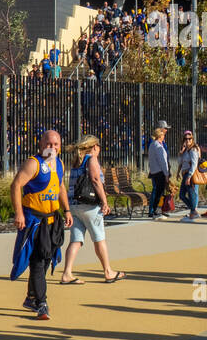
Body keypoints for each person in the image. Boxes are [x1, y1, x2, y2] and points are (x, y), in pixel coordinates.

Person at [9, 130, 73, 321]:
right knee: (37, 261)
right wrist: (19, 213)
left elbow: (60, 186)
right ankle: (42, 303)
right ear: (41, 144)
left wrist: (67, 210)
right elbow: (16, 185)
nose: (52, 148)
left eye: (56, 144)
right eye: (48, 144)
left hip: (51, 220)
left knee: (45, 261)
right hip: (34, 220)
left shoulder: (59, 164)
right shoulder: (34, 163)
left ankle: (31, 297)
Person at [58, 135, 123, 284]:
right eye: (99, 146)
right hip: (89, 205)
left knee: (76, 240)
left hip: (74, 205)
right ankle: (108, 271)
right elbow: (95, 180)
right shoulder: (91, 159)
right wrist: (104, 202)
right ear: (94, 147)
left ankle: (67, 273)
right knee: (99, 238)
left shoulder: (76, 161)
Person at [147, 123, 171, 219]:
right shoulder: (159, 147)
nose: (164, 136)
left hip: (154, 172)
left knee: (158, 190)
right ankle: (155, 209)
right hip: (160, 172)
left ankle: (155, 209)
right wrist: (166, 174)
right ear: (160, 136)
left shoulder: (152, 145)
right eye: (163, 134)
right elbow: (163, 162)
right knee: (159, 191)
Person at [177, 130, 201, 221]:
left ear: (192, 139)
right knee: (182, 195)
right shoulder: (185, 150)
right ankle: (193, 211)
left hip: (189, 174)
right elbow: (180, 162)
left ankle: (193, 212)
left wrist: (189, 176)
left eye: (189, 139)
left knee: (191, 193)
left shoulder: (193, 149)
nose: (187, 141)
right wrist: (181, 152)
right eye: (186, 139)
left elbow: (195, 163)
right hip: (184, 173)